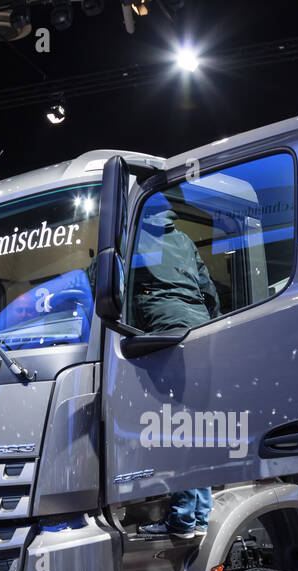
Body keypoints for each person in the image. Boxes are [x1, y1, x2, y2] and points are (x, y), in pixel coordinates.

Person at [131, 197, 221, 540]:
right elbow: (208, 290)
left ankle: (182, 521)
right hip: (198, 330)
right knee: (195, 426)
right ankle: (199, 516)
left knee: (176, 427)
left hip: (165, 329)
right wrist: (207, 325)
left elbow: (108, 282)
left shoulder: (135, 238)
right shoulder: (183, 239)